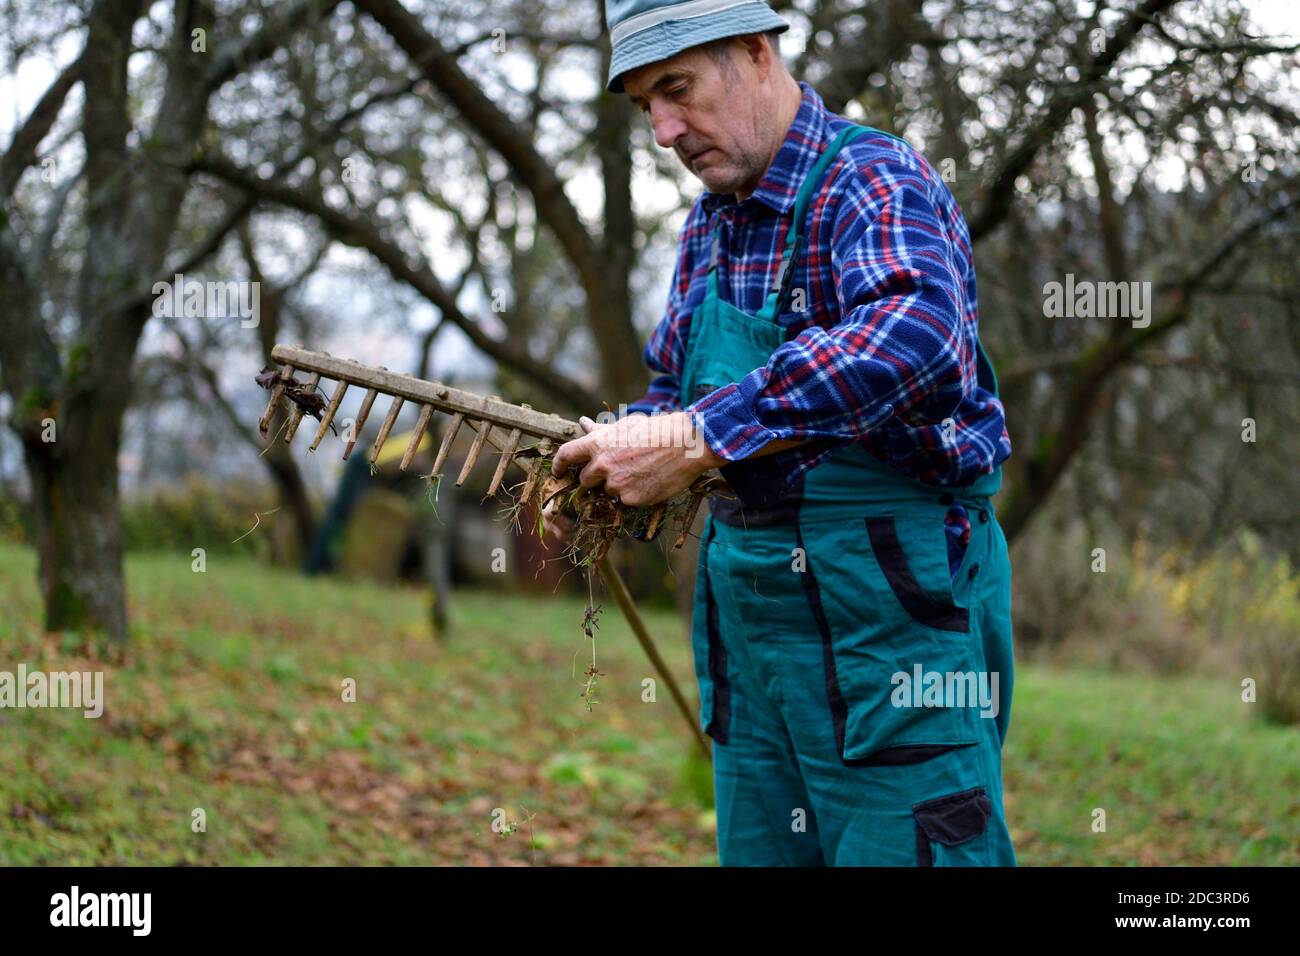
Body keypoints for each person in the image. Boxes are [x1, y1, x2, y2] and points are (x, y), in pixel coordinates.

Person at [548, 0, 1016, 867]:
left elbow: (922, 337)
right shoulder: (707, 226)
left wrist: (702, 438)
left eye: (677, 89)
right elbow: (671, 393)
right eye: (646, 104)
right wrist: (611, 465)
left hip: (893, 623)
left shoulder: (873, 180)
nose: (663, 130)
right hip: (750, 635)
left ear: (758, 53)